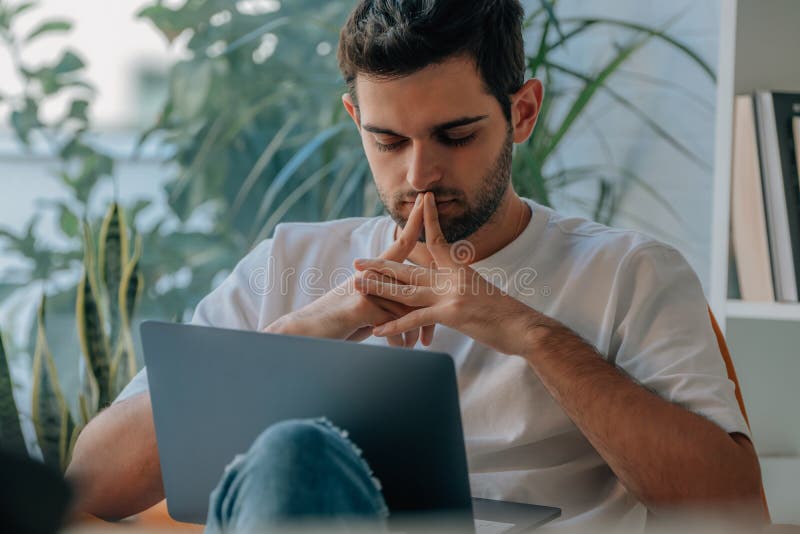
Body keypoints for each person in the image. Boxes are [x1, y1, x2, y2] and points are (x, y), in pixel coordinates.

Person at [65, 0, 767, 531]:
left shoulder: (629, 274)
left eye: (455, 135)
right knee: (295, 458)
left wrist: (523, 329)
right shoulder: (288, 263)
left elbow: (734, 510)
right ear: (354, 119)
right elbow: (88, 484)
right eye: (387, 140)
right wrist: (316, 325)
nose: (420, 172)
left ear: (521, 113)